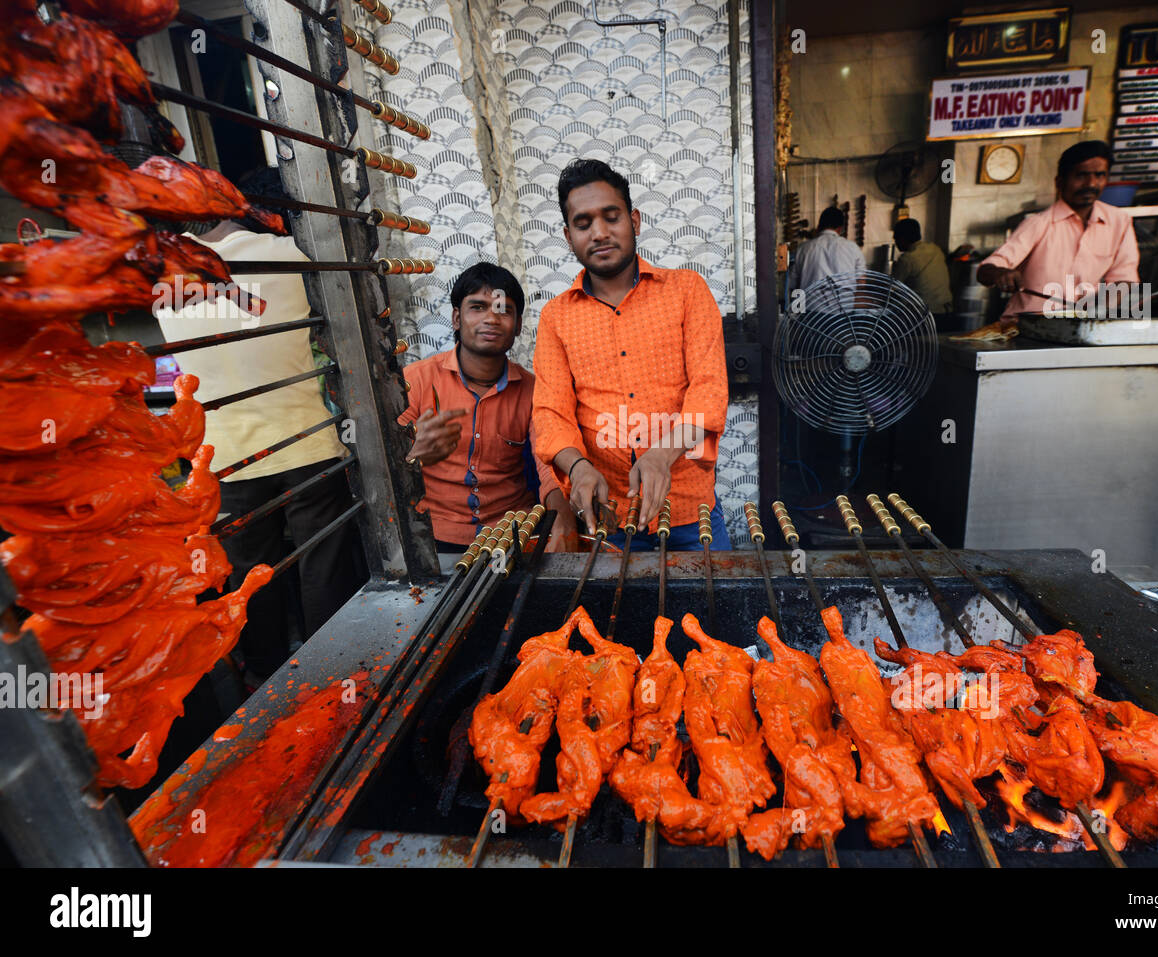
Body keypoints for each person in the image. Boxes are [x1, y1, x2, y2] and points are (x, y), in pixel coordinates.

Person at [154, 166, 366, 691]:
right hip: (304, 441)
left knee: (252, 570)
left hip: (222, 455)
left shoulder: (165, 274)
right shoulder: (290, 255)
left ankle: (263, 678)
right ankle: (329, 671)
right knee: (323, 559)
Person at [532, 158, 731, 551]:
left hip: (691, 512)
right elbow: (551, 414)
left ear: (634, 222)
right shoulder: (555, 317)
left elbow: (709, 391)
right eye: (584, 223)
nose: (600, 233)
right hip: (610, 518)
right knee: (617, 615)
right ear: (569, 236)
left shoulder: (687, 291)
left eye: (612, 217)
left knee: (709, 611)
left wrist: (662, 454)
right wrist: (578, 466)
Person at [398, 263, 576, 550]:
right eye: (478, 307)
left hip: (513, 534)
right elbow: (385, 465)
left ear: (518, 325)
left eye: (503, 310)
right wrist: (413, 453)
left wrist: (561, 515)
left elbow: (547, 463)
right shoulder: (415, 381)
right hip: (435, 536)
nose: (492, 319)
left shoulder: (533, 389)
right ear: (457, 318)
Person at [976, 140, 1139, 327]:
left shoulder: (1119, 222)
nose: (1091, 183)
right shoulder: (1038, 224)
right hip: (1024, 328)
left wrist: (1094, 309)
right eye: (1081, 175)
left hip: (1082, 328)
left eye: (1099, 175)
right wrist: (1000, 273)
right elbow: (985, 270)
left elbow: (1124, 280)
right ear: (1059, 182)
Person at [787, 205, 865, 295]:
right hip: (843, 307)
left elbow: (791, 283)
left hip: (810, 307)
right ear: (840, 229)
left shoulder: (802, 249)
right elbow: (861, 282)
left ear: (819, 226)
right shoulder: (853, 248)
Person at [891, 218, 953, 328]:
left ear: (903, 238)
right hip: (946, 313)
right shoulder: (935, 249)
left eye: (896, 239)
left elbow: (892, 288)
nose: (895, 243)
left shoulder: (907, 259)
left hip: (922, 317)